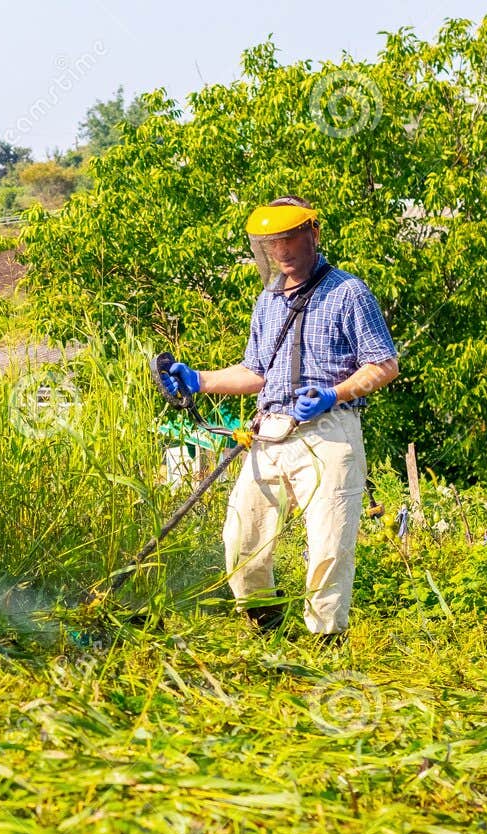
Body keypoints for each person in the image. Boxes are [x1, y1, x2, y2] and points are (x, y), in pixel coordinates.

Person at [162, 197, 399, 638]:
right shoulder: (266, 301)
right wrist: (199, 379)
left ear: (313, 234)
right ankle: (265, 625)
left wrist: (334, 394)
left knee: (329, 541)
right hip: (269, 431)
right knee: (241, 536)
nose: (283, 251)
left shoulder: (348, 292)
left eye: (291, 239)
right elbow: (255, 372)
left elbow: (384, 366)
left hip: (330, 430)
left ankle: (325, 639)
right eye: (273, 244)